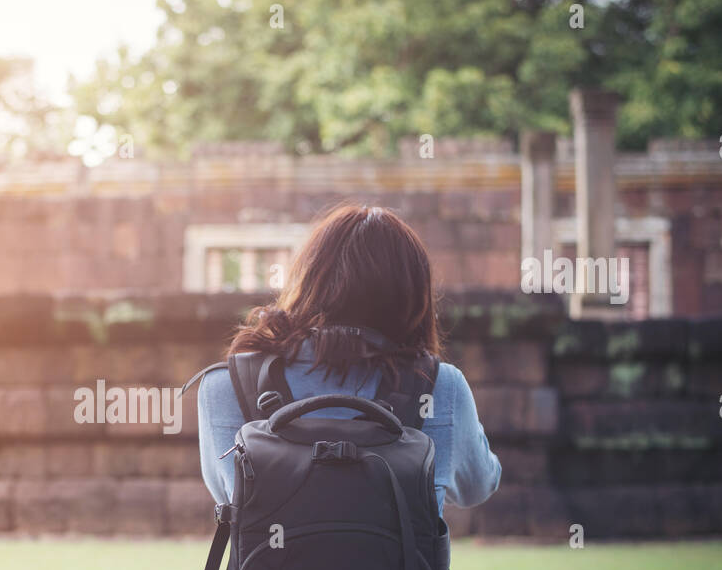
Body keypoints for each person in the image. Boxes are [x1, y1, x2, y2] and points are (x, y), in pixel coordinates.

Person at [197, 202, 501, 518]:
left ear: (308, 279)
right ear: (412, 296)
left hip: (273, 566)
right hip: (396, 569)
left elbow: (231, 494)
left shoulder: (225, 385)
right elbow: (478, 485)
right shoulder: (439, 385)